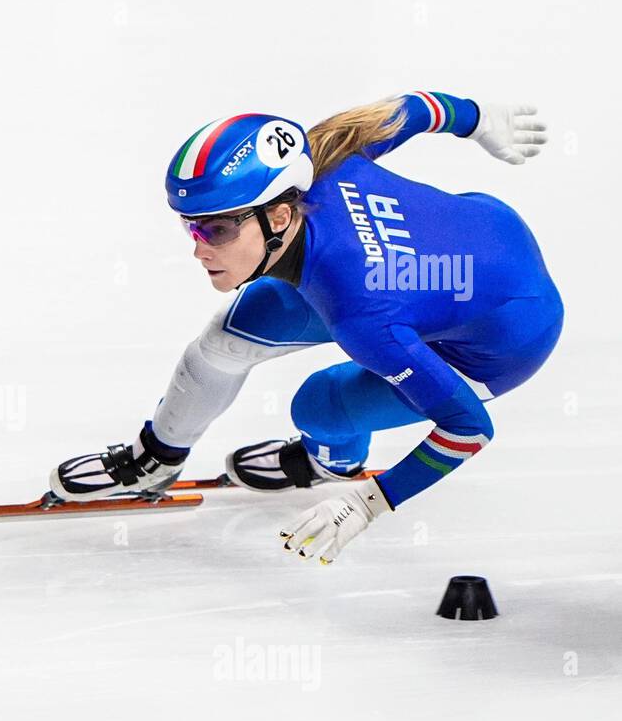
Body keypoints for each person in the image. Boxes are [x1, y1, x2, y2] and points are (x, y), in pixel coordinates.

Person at [50, 93, 559, 564]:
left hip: (508, 339)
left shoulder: (362, 315)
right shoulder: (323, 158)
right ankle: (156, 458)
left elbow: (468, 428)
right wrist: (478, 119)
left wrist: (368, 503)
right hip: (461, 250)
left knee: (320, 403)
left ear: (279, 215)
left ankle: (333, 461)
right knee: (222, 342)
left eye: (217, 229)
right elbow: (414, 108)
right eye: (191, 224)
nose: (198, 248)